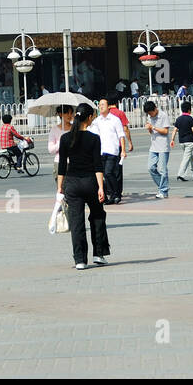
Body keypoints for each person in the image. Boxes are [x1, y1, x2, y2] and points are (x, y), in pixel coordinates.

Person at [57, 103, 110, 269]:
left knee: (76, 221)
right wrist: (101, 188)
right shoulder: (94, 138)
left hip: (71, 183)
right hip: (90, 183)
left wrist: (60, 187)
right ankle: (99, 254)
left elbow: (61, 166)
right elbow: (97, 166)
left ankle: (80, 259)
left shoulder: (65, 138)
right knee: (97, 216)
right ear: (89, 118)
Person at [91, 97, 127, 204]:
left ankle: (116, 193)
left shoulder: (115, 119)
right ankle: (112, 195)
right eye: (100, 105)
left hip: (112, 150)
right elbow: (92, 133)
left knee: (108, 173)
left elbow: (121, 135)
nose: (101, 106)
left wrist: (123, 150)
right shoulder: (97, 121)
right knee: (104, 175)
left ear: (108, 106)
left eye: (103, 105)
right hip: (101, 151)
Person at [143, 100, 171, 199]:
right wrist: (149, 129)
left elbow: (165, 131)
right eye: (148, 114)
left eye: (151, 113)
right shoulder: (150, 117)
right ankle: (163, 187)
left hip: (163, 146)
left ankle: (163, 191)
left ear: (155, 109)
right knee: (151, 167)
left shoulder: (163, 115)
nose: (150, 115)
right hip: (154, 146)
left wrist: (153, 127)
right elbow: (151, 132)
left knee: (163, 170)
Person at [173, 100, 193, 182]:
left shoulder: (178, 119)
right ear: (189, 109)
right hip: (190, 141)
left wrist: (172, 139)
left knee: (190, 157)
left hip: (182, 141)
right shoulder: (190, 118)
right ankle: (180, 174)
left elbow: (175, 130)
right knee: (186, 158)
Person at [47, 105, 75, 170]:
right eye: (67, 113)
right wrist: (61, 142)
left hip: (74, 163)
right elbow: (51, 150)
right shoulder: (54, 130)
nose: (69, 115)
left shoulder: (75, 128)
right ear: (60, 114)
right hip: (59, 162)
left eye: (71, 113)